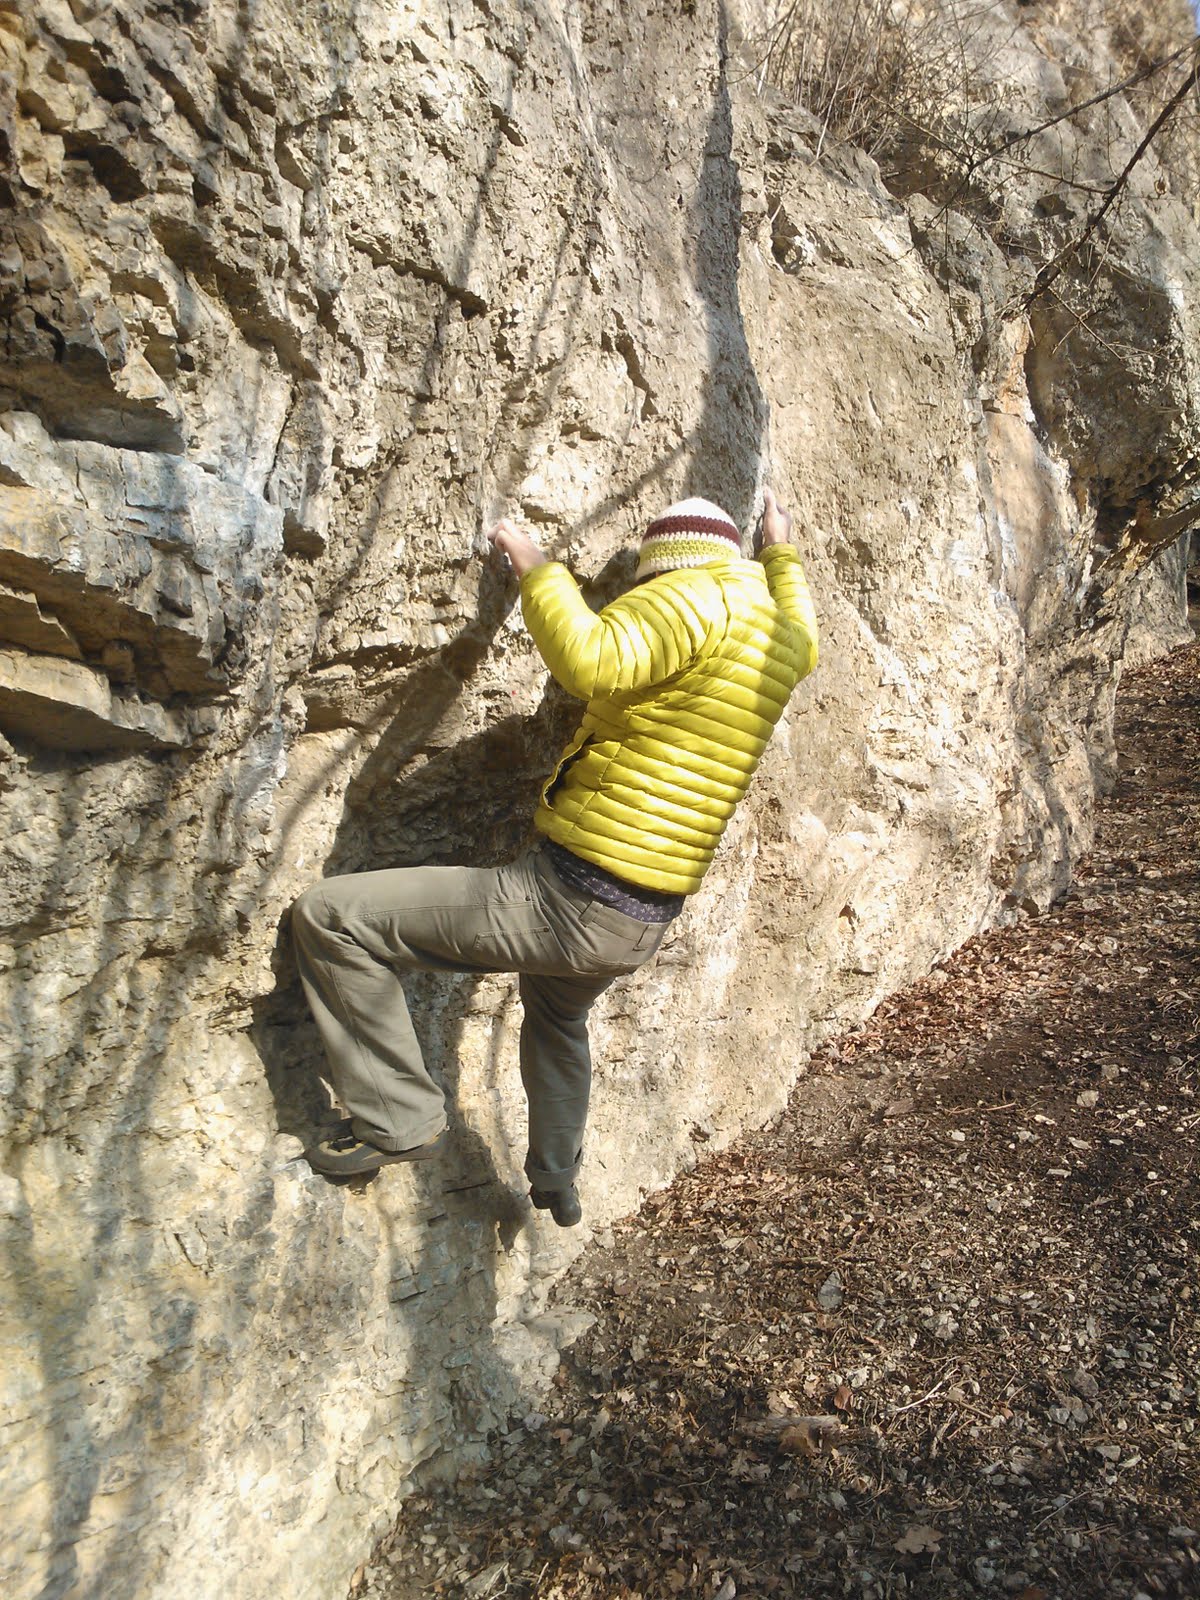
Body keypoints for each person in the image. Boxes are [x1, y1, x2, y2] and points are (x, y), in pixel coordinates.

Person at [291, 488, 818, 1225]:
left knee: (334, 916)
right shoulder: (775, 630)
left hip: (568, 898)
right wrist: (781, 550)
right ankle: (556, 1179)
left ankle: (397, 1120)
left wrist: (538, 567)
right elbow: (805, 625)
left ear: (660, 567)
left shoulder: (686, 598)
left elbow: (592, 660)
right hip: (642, 919)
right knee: (556, 1014)